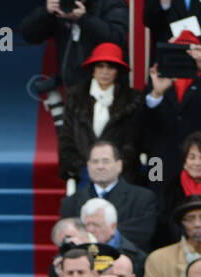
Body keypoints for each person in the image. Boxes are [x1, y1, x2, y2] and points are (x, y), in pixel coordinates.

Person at [142, 31, 201, 184]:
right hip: (159, 159)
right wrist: (157, 94)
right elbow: (145, 122)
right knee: (156, 200)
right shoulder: (158, 80)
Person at [57, 44, 144, 185]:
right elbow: (66, 137)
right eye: (100, 66)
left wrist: (113, 168)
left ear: (118, 71)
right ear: (93, 70)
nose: (105, 72)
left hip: (121, 175)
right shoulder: (76, 96)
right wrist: (82, 167)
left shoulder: (132, 100)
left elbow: (133, 142)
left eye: (110, 67)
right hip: (83, 172)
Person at [58, 142, 157, 249]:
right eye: (95, 161)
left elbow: (142, 233)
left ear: (119, 165)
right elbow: (66, 236)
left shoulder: (143, 198)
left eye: (106, 161)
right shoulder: (70, 203)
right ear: (88, 166)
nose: (100, 166)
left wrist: (95, 235)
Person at [19, 0, 130, 92]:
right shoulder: (62, 6)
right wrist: (45, 12)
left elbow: (116, 38)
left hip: (108, 87)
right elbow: (29, 35)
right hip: (73, 88)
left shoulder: (112, 3)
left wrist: (84, 19)